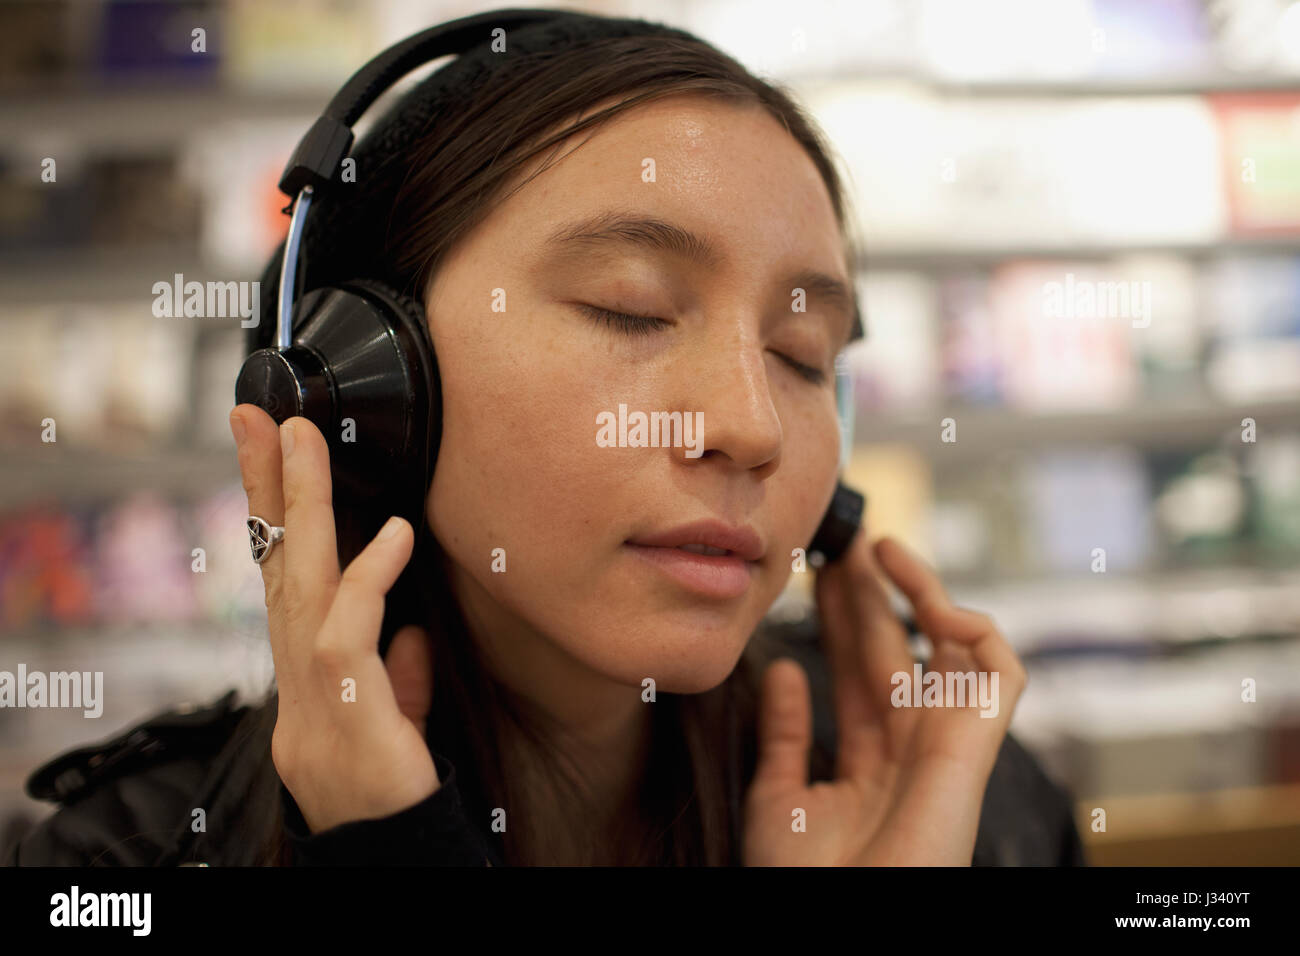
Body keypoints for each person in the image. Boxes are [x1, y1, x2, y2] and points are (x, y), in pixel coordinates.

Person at [5, 9, 1085, 867]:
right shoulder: (121, 861)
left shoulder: (962, 800)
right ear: (364, 378)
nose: (753, 427)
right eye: (630, 310)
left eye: (802, 352)